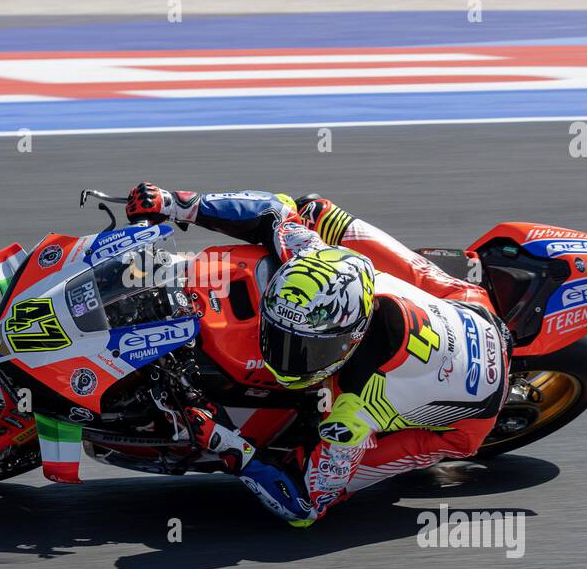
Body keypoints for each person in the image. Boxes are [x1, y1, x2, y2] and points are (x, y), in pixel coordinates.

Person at [125, 184, 512, 527]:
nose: (282, 356)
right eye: (278, 335)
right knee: (313, 209)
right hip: (464, 301)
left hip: (468, 419)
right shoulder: (313, 255)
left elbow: (305, 507)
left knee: (320, 483)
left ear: (348, 339)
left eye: (304, 350)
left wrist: (228, 447)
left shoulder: (353, 414)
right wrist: (176, 204)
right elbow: (275, 209)